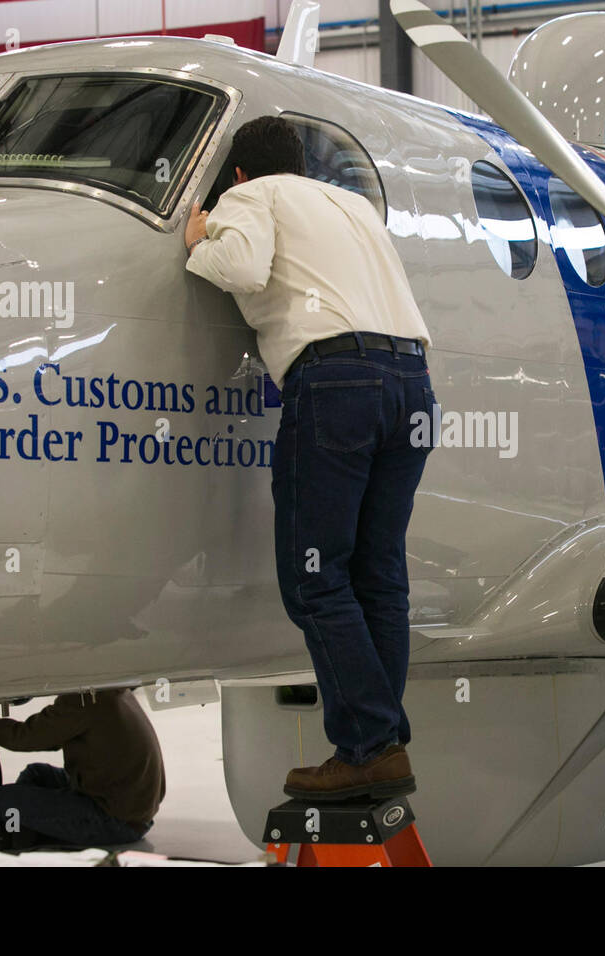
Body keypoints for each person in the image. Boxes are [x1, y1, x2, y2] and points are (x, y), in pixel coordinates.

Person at [185, 115, 434, 801]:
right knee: (378, 574)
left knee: (315, 578)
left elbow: (239, 267)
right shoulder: (353, 205)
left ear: (240, 171)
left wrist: (198, 238)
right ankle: (377, 744)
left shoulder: (252, 196)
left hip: (336, 384)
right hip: (412, 384)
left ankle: (370, 745)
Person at [0, 688, 164, 851]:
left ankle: (11, 835)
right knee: (36, 773)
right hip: (126, 805)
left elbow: (24, 738)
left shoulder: (84, 700)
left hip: (115, 820)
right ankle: (23, 828)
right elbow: (51, 735)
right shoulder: (109, 693)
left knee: (6, 800)